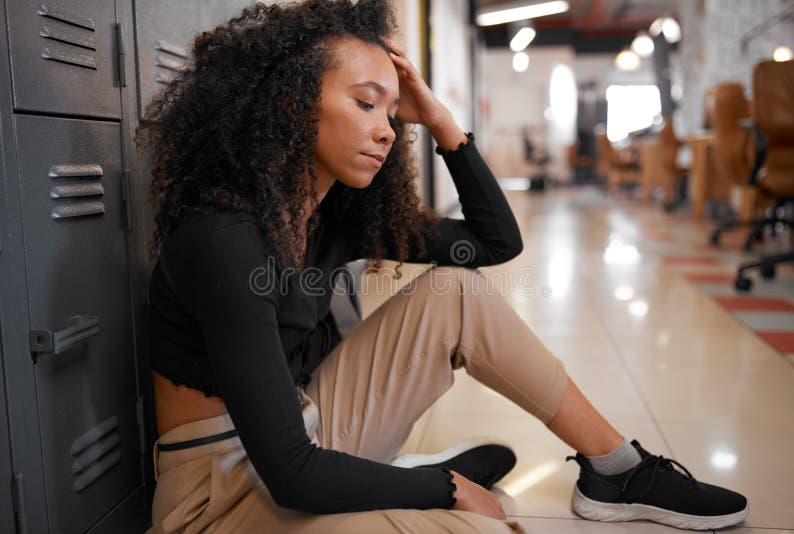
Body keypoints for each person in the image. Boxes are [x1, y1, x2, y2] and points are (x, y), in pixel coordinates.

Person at [136, 1, 749, 532]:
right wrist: (447, 490)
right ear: (294, 103)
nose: (385, 132)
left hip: (302, 438)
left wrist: (440, 120)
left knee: (456, 288)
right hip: (222, 500)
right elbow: (293, 476)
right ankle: (411, 477)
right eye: (366, 104)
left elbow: (493, 242)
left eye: (392, 113)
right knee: (474, 524)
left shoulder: (330, 216)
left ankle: (618, 471)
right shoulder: (226, 240)